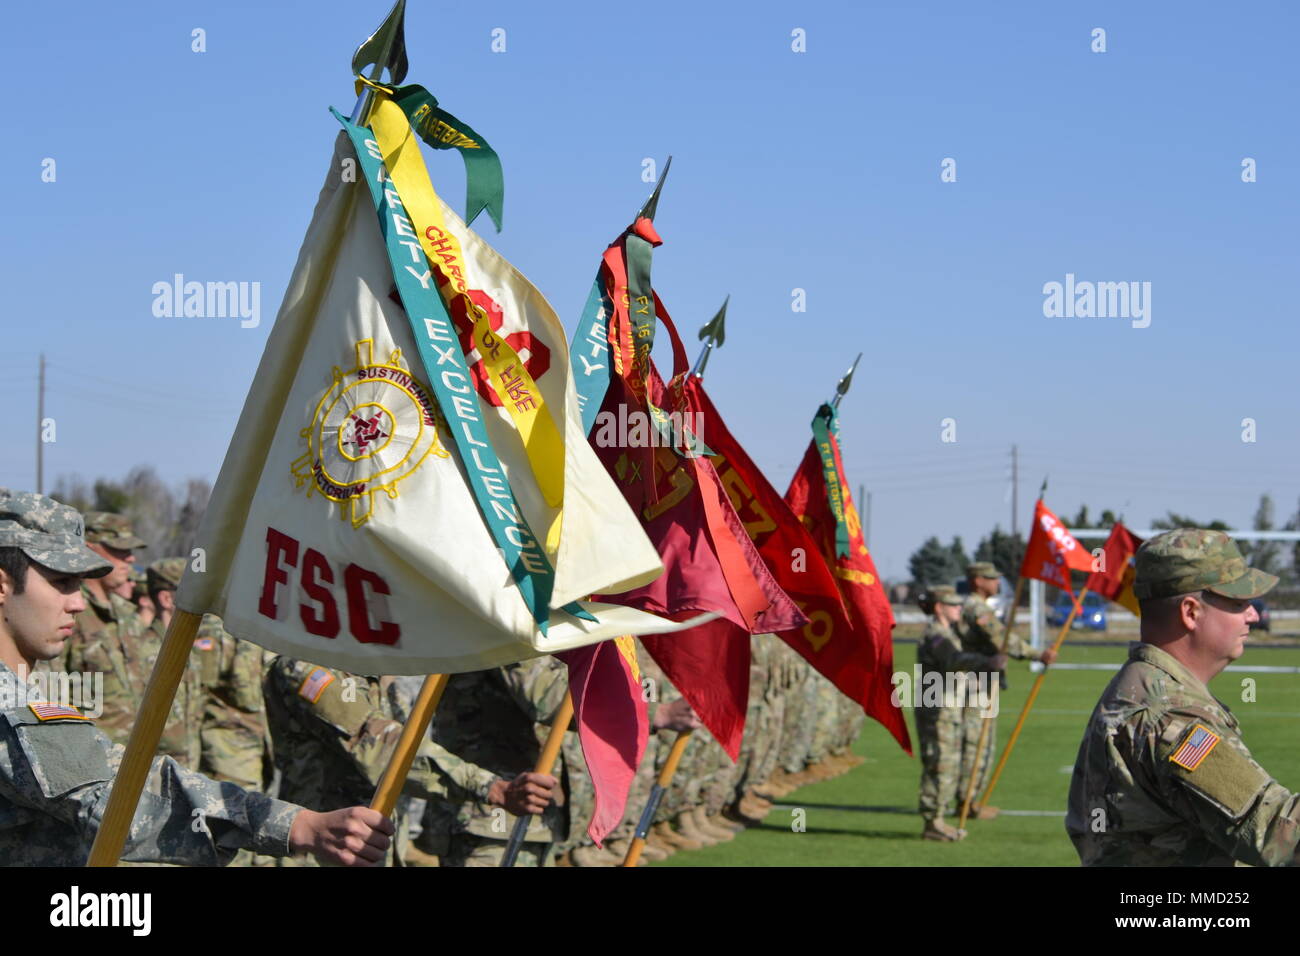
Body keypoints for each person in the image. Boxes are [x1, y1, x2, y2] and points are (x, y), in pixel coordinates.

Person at [0, 488, 393, 866]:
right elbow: (113, 796)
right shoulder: (9, 704)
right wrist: (300, 825)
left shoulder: (21, 687)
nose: (78, 603)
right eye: (61, 582)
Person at [1066, 529, 1300, 866]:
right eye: (1237, 602)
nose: (1253, 615)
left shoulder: (1143, 687)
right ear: (1191, 612)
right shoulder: (1172, 715)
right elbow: (1278, 835)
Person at [265, 656, 557, 866]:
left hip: (376, 851)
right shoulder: (306, 667)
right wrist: (491, 787)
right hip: (326, 854)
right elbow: (380, 746)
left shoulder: (380, 674)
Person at [955, 561, 1057, 817]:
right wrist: (1036, 654)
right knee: (976, 744)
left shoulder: (979, 606)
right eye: (992, 578)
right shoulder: (976, 607)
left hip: (984, 683)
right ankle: (965, 802)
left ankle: (971, 800)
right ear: (978, 581)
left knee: (983, 743)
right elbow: (1001, 638)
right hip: (975, 684)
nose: (997, 582)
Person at [915, 585, 1006, 841]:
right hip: (937, 710)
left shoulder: (949, 633)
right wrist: (986, 662)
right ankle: (933, 821)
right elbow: (953, 660)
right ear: (938, 608)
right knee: (940, 763)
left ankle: (939, 818)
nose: (958, 608)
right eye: (953, 605)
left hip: (949, 709)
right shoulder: (935, 635)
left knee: (950, 764)